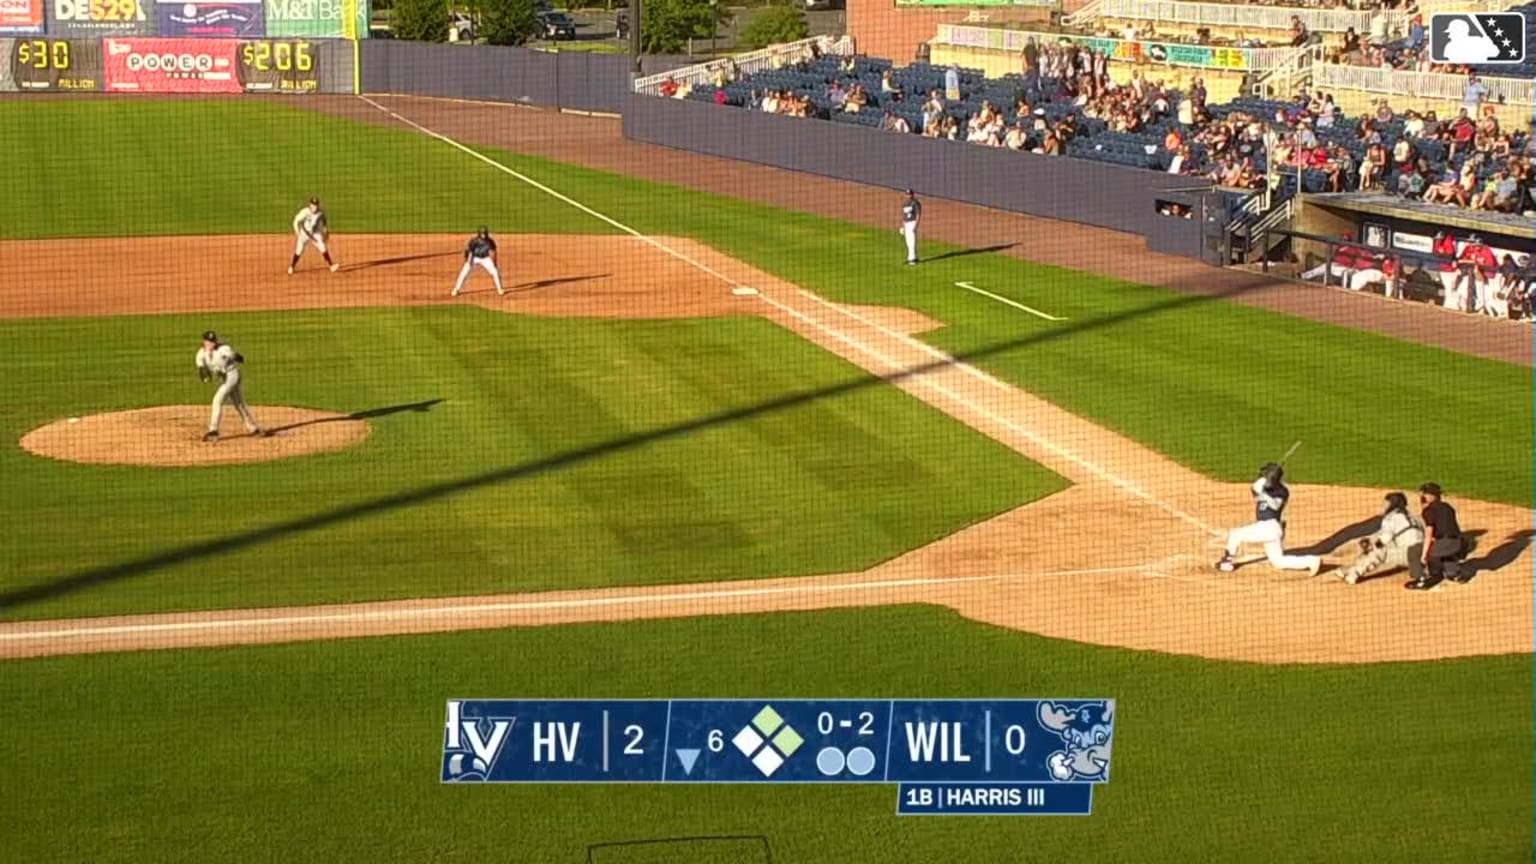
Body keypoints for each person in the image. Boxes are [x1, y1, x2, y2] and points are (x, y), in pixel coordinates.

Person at [1214, 463, 1324, 576]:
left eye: (1265, 476)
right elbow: (1256, 494)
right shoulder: (1265, 488)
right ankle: (1312, 561)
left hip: (1269, 526)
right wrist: (1255, 489)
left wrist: (1263, 493)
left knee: (1235, 534)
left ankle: (1226, 563)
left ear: (1272, 478)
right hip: (1268, 529)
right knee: (1278, 562)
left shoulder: (1282, 491)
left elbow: (1275, 505)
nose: (1262, 478)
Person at [1337, 492, 1425, 585]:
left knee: (1377, 550)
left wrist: (1372, 545)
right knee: (1383, 545)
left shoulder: (1391, 518)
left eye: (1386, 503)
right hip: (1422, 555)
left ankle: (1353, 574)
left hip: (1408, 555)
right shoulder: (1414, 518)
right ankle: (1350, 570)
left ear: (1393, 505)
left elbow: (1385, 538)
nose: (1383, 505)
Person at [196, 330, 268, 443]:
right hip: (224, 378)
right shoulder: (201, 354)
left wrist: (236, 356)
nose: (211, 344)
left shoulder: (223, 349)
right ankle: (253, 428)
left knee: (217, 399)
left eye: (213, 341)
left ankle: (213, 430)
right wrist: (205, 375)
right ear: (204, 341)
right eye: (209, 341)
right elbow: (201, 369)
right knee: (238, 403)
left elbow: (236, 356)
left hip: (232, 376)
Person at [1405, 483, 1467, 589]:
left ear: (1431, 496)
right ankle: (1454, 573)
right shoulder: (1447, 507)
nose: (1422, 497)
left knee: (1416, 550)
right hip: (1459, 544)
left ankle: (1422, 579)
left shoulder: (1429, 511)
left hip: (1446, 544)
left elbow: (1429, 534)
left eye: (1424, 495)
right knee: (1442, 548)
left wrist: (1424, 555)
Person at [290, 196, 337, 275]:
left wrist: (325, 230)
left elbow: (323, 220)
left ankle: (331, 265)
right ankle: (292, 266)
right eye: (313, 205)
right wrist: (297, 232)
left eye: (316, 205)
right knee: (299, 250)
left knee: (322, 246)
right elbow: (296, 221)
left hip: (314, 233)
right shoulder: (304, 212)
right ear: (310, 205)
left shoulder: (320, 213)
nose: (315, 207)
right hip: (304, 234)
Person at [453, 226, 503, 297]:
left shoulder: (490, 241)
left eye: (485, 233)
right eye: (482, 233)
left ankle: (500, 289)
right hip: (474, 258)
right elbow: (468, 250)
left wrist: (494, 262)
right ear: (479, 234)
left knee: (495, 271)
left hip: (485, 258)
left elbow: (494, 251)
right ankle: (456, 289)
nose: (484, 235)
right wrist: (468, 260)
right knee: (464, 272)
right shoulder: (474, 241)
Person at [900, 188, 921, 265]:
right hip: (906, 224)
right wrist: (903, 226)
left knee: (912, 241)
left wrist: (915, 226)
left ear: (912, 194)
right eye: (907, 194)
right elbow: (904, 216)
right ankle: (911, 258)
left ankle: (912, 260)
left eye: (910, 194)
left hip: (912, 223)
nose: (909, 195)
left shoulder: (915, 203)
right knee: (908, 242)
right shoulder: (905, 203)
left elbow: (918, 215)